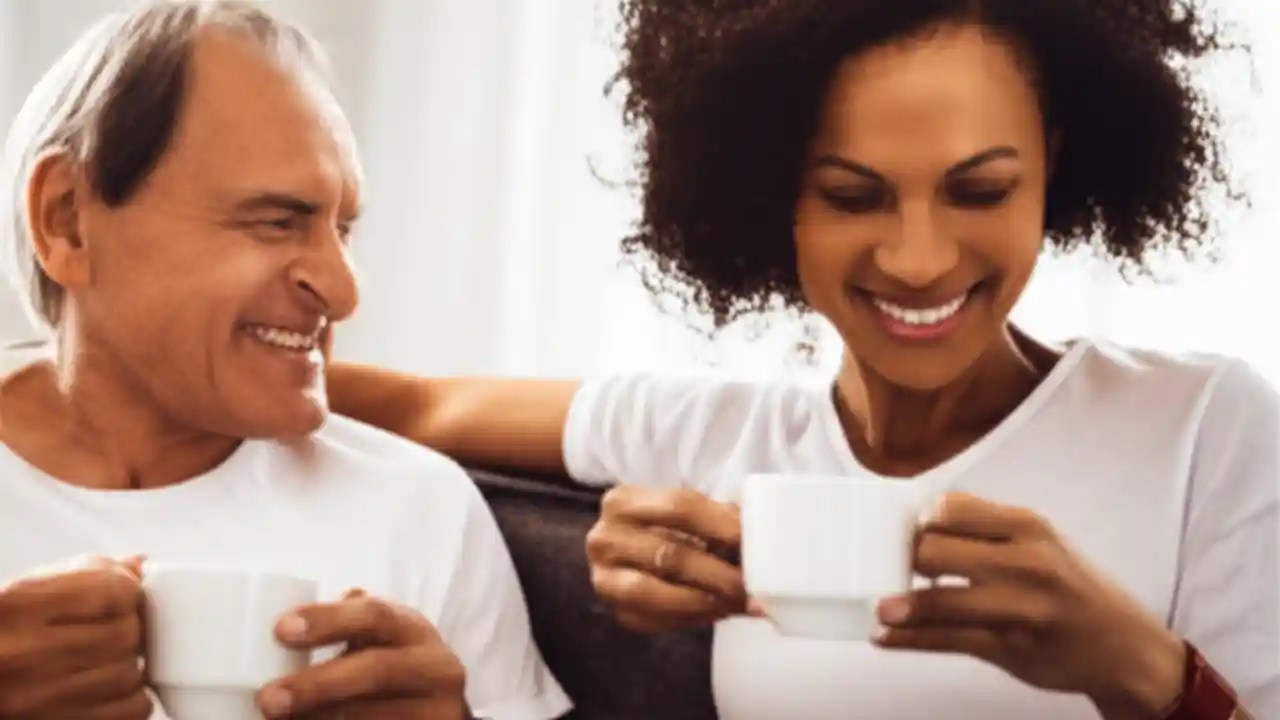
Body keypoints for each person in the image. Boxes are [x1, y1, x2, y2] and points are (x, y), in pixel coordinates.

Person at [326, 1, 1278, 719]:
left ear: (1053, 170)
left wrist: (1138, 669)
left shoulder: (1203, 427)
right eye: (853, 197)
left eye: (980, 191)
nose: (919, 259)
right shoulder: (720, 436)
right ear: (772, 195)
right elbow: (420, 411)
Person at [0, 2, 571, 719]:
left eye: (343, 229)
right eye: (276, 221)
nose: (343, 290)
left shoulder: (419, 510)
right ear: (66, 220)